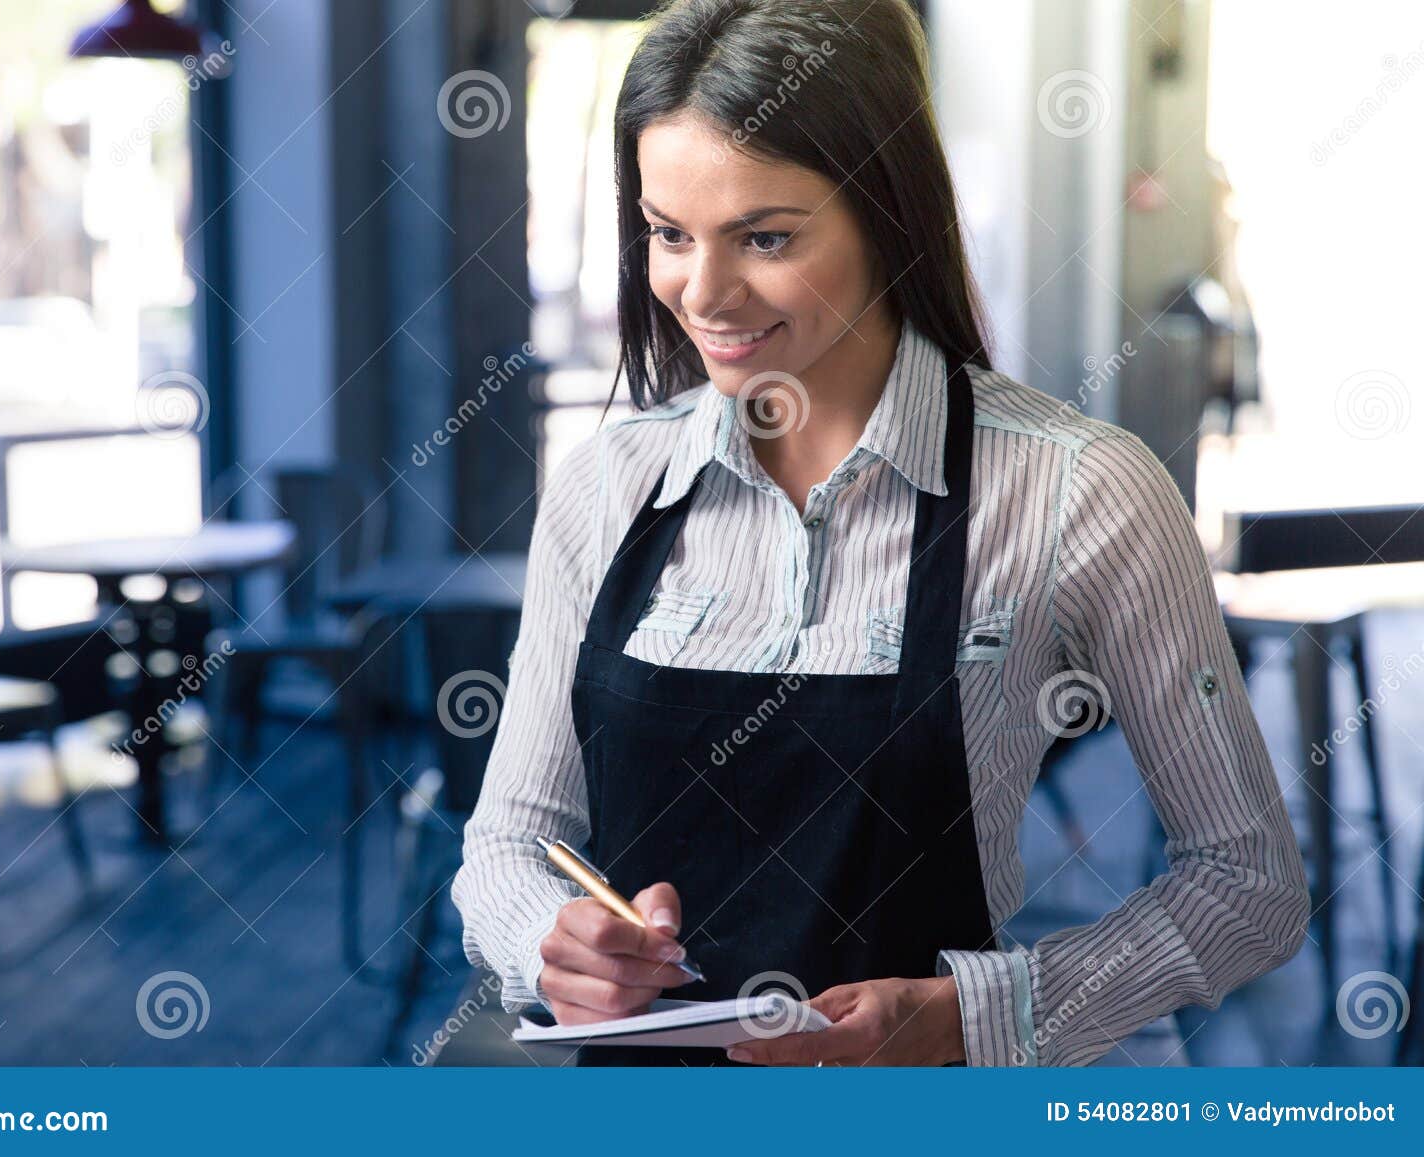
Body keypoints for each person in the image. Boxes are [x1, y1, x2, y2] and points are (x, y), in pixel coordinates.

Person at [451, 0, 1308, 1067]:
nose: (701, 293)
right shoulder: (605, 487)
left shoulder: (1077, 491)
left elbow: (1248, 881)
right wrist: (547, 941)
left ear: (886, 212)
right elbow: (503, 844)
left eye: (765, 237)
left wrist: (977, 1014)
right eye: (669, 234)